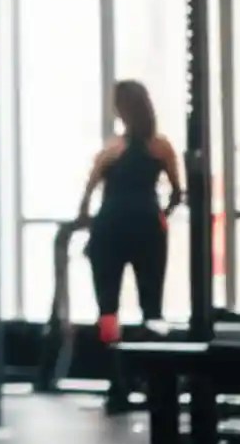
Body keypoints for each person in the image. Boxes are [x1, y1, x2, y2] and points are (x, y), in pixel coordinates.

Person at [77, 79, 183, 345]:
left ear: (122, 109)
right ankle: (154, 363)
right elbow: (177, 193)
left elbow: (88, 194)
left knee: (107, 306)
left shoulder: (111, 150)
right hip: (147, 226)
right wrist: (162, 214)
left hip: (110, 226)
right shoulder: (161, 147)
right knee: (152, 305)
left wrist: (88, 222)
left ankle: (111, 361)